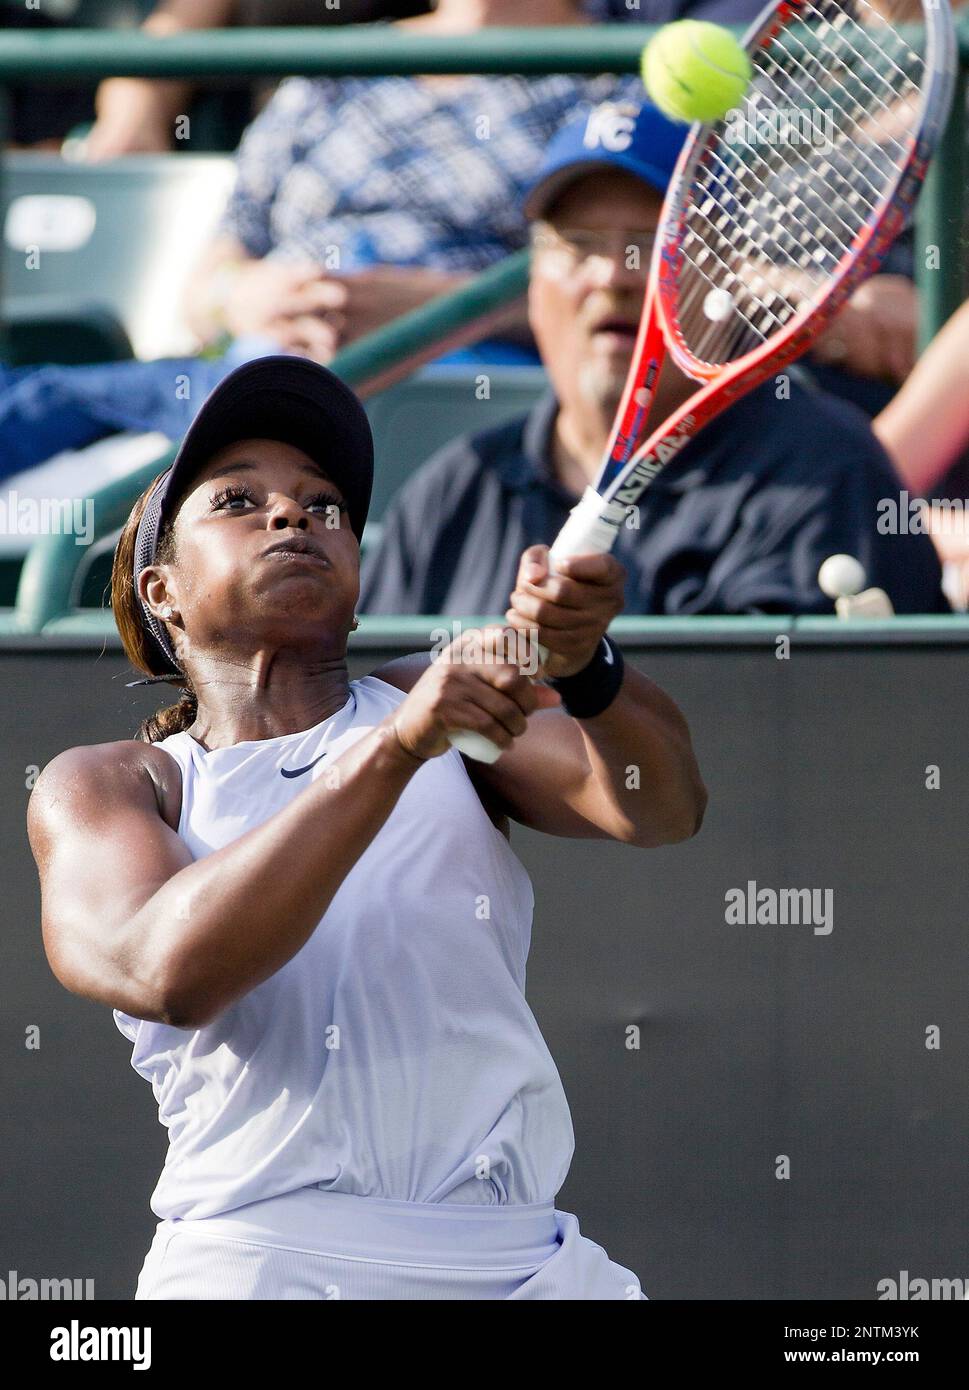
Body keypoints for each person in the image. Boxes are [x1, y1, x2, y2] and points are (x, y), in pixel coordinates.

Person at [26, 354, 706, 1300]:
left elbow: (658, 808)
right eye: (236, 501)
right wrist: (396, 751)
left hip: (526, 1263)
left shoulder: (417, 699)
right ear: (161, 592)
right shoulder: (112, 782)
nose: (293, 515)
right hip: (264, 1265)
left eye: (323, 504)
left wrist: (589, 667)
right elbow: (163, 973)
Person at [359, 100, 949, 616]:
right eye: (579, 245)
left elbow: (794, 731)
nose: (615, 275)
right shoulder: (456, 490)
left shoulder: (822, 471)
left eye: (651, 245)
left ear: (723, 275)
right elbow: (365, 719)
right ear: (535, 285)